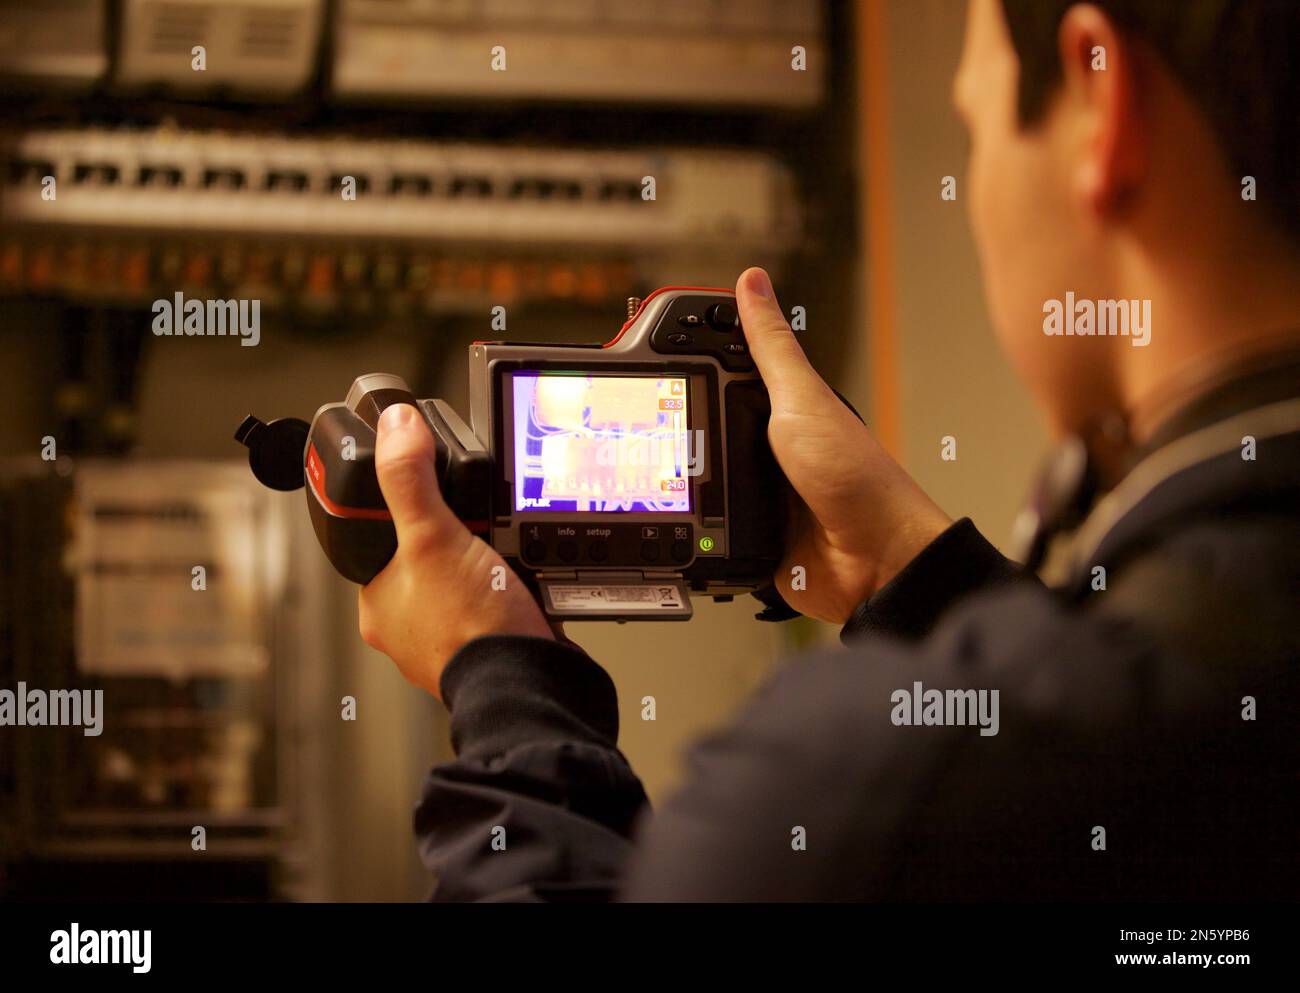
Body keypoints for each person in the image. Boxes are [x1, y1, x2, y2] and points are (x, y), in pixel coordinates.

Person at [356, 0, 1300, 901]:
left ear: (1102, 101)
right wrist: (903, 565)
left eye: (973, 127)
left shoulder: (844, 801)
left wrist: (501, 680)